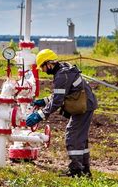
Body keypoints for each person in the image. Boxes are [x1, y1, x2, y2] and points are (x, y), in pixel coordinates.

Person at [26, 49, 97, 177]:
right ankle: (85, 170)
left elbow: (58, 101)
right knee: (80, 138)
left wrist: (40, 115)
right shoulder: (63, 70)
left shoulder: (61, 75)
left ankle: (76, 170)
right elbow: (61, 92)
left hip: (84, 106)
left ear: (49, 64)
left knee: (73, 135)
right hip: (86, 104)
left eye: (42, 66)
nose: (42, 70)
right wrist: (44, 101)